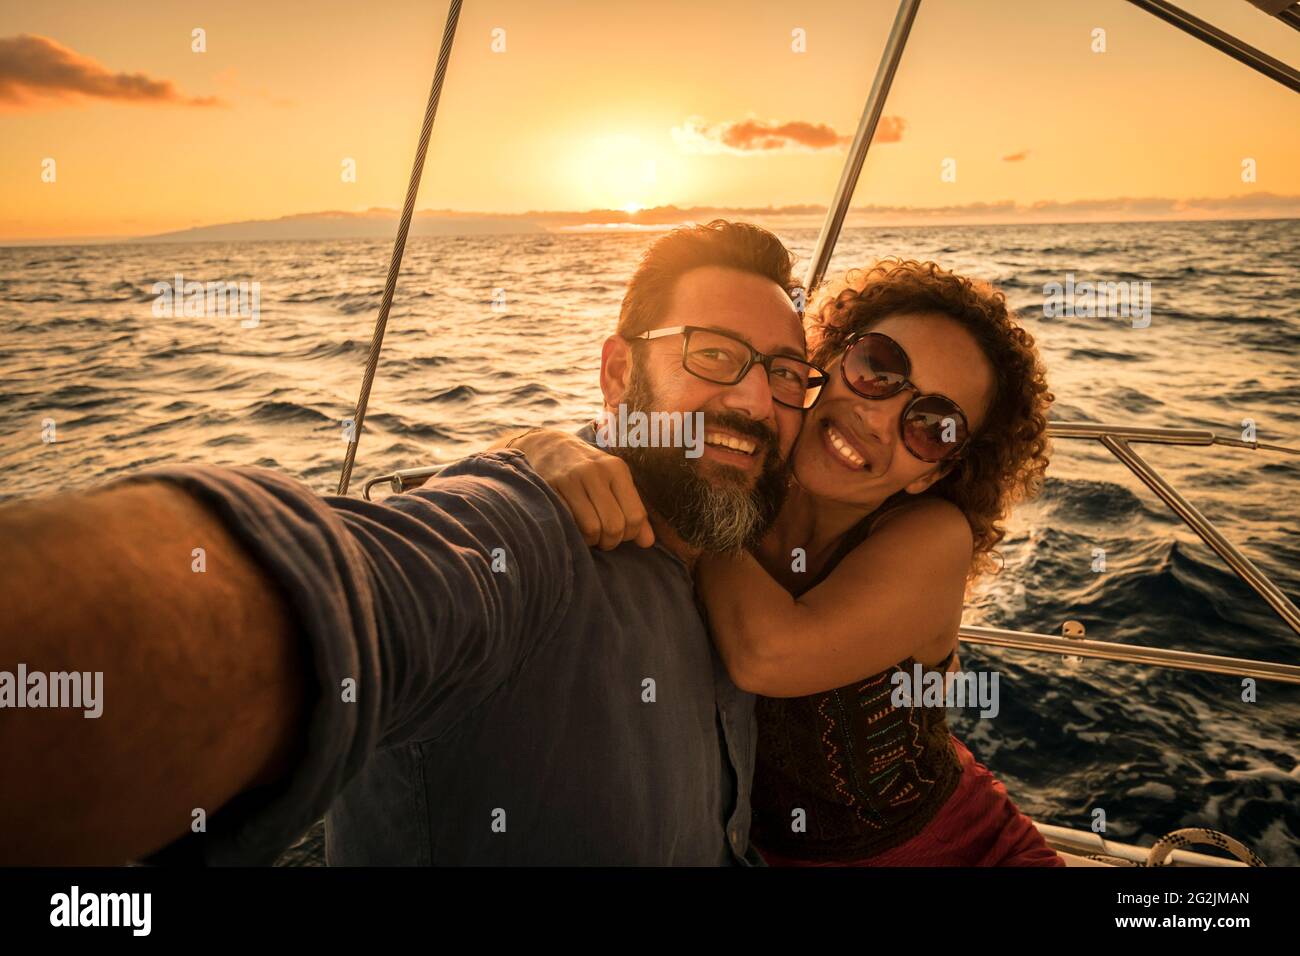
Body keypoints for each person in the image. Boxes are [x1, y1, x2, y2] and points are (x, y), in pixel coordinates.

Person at [0, 220, 815, 866]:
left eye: (786, 373)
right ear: (615, 375)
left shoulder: (729, 552)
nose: (754, 398)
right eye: (713, 355)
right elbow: (355, 586)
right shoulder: (530, 534)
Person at [508, 258, 1063, 865]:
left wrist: (703, 485)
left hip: (958, 851)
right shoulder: (754, 481)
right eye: (877, 367)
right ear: (826, 362)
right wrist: (535, 444)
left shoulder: (934, 535)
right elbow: (637, 440)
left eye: (933, 425)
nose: (876, 418)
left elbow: (766, 653)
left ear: (937, 469)